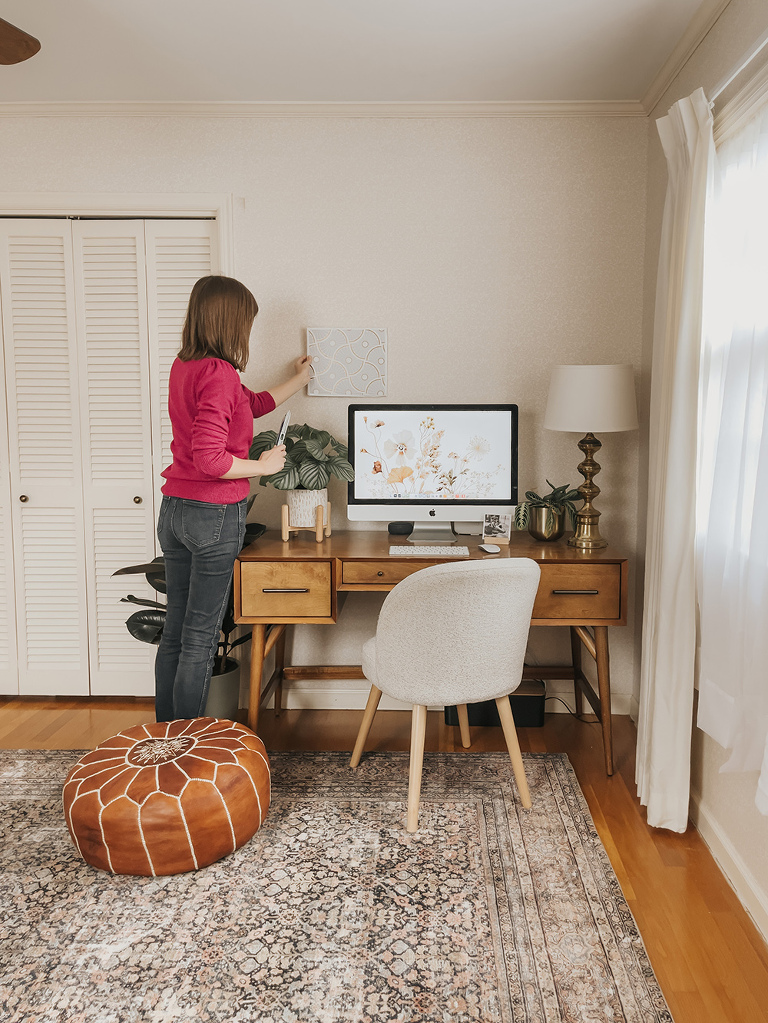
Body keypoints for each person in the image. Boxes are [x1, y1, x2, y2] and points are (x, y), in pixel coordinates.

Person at [154, 274, 311, 722]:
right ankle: (189, 746)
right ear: (231, 321)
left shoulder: (187, 366)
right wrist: (264, 466)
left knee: (178, 633)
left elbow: (254, 404)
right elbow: (211, 459)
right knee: (201, 635)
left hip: (175, 511)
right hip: (213, 514)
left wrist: (297, 380)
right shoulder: (219, 373)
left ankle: (168, 738)